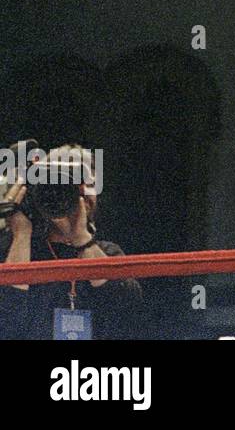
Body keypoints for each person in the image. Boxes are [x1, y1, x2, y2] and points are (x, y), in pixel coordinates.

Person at [0, 143, 143, 340]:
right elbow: (7, 319)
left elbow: (128, 310)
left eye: (88, 185)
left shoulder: (107, 251)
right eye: (63, 185)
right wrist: (22, 234)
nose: (77, 194)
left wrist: (80, 237)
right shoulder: (15, 248)